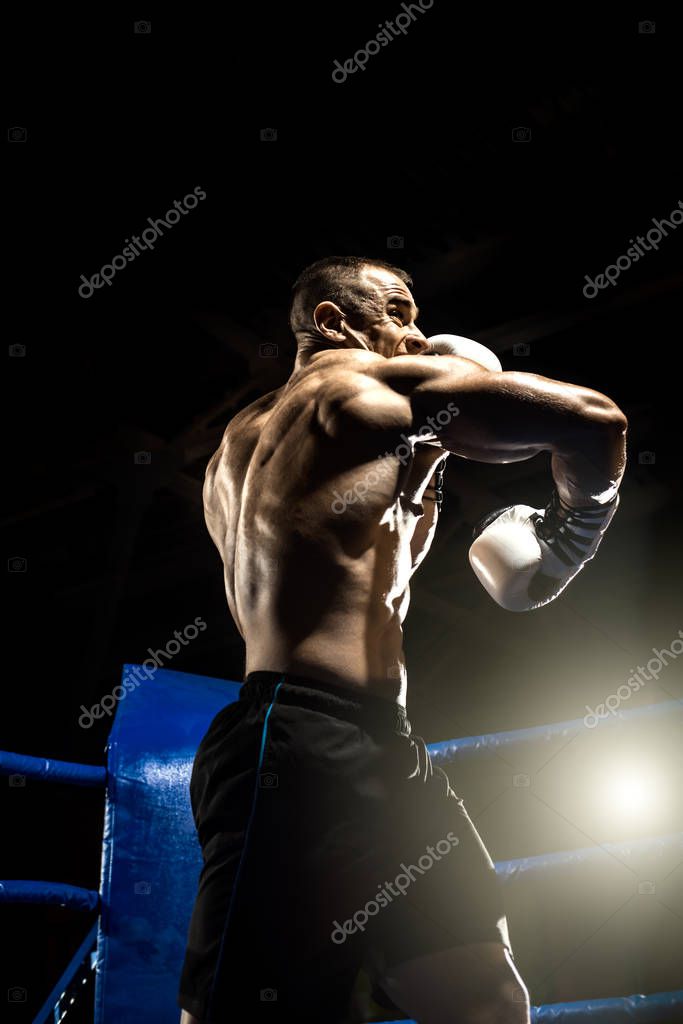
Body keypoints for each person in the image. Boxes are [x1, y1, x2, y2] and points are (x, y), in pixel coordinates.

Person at [178, 256, 627, 1023]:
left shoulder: (235, 449)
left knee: (484, 999)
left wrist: (427, 460)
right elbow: (594, 420)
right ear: (330, 322)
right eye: (397, 310)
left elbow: (368, 561)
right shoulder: (364, 386)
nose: (417, 334)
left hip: (382, 750)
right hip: (297, 742)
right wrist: (569, 537)